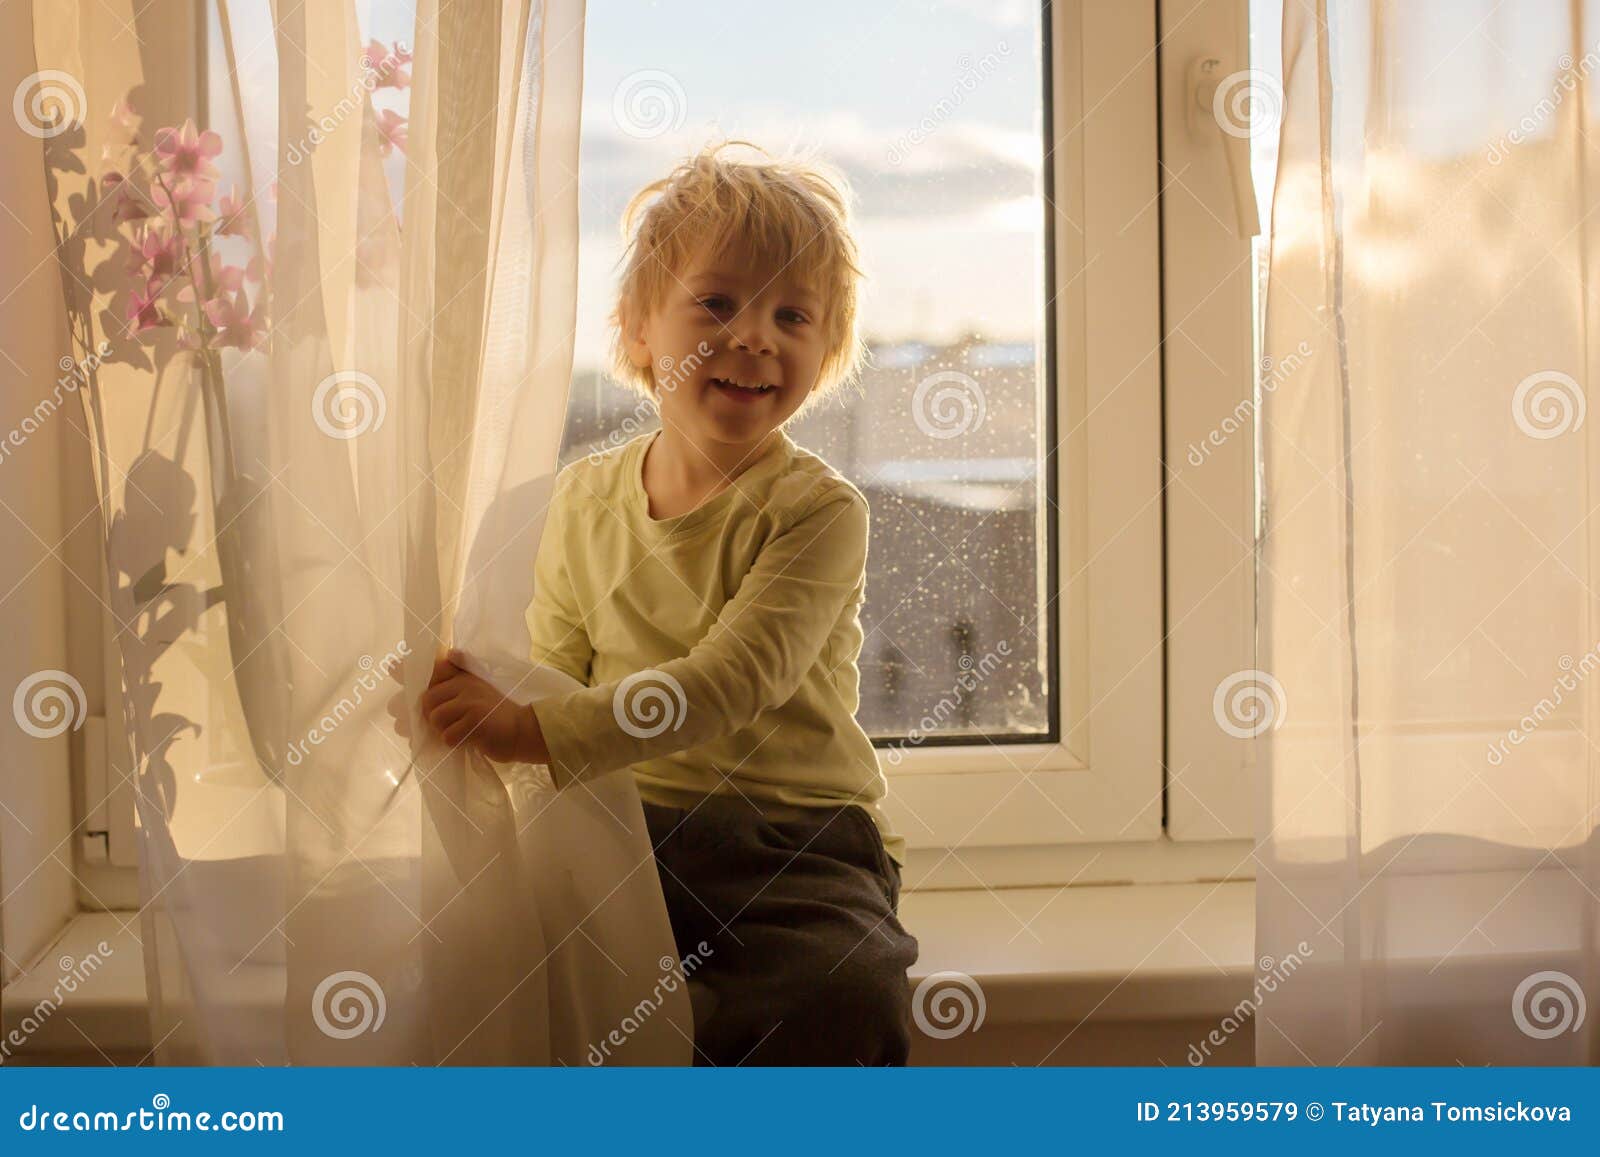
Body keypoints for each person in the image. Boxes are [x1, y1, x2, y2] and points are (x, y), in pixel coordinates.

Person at [408, 140, 918, 1066]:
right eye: (718, 303)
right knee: (492, 970)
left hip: (790, 842)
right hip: (626, 829)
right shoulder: (580, 500)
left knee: (840, 987)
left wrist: (529, 731)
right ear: (639, 331)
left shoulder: (818, 510)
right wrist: (504, 724)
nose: (756, 335)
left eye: (792, 315)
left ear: (826, 355)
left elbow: (733, 680)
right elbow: (556, 662)